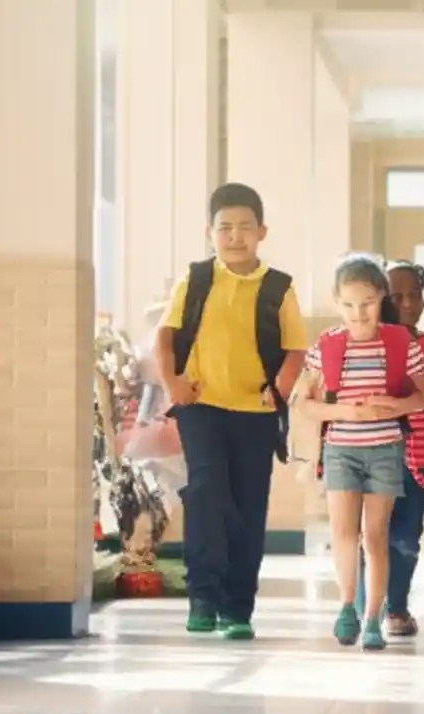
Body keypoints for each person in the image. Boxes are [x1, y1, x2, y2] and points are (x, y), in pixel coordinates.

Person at [155, 183, 308, 640]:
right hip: (201, 408)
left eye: (244, 227)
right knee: (205, 492)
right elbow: (166, 337)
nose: (235, 236)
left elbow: (295, 349)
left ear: (262, 232)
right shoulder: (196, 279)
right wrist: (174, 385)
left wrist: (276, 392)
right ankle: (202, 596)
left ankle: (237, 607)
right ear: (210, 233)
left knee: (247, 505)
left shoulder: (278, 287)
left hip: (256, 415)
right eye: (225, 228)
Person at [298, 255, 424, 651]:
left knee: (375, 537)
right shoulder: (325, 347)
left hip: (385, 451)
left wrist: (393, 406)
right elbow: (304, 404)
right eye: (349, 305)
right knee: (343, 532)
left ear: (382, 299)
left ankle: (373, 616)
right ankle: (346, 607)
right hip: (341, 450)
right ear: (336, 302)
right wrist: (346, 412)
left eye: (368, 303)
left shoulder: (400, 344)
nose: (359, 314)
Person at [354, 260, 424, 637]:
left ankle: (398, 607)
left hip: (420, 457)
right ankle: (367, 610)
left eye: (415, 295)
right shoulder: (363, 345)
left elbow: (419, 393)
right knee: (372, 534)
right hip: (372, 451)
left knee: (406, 536)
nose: (408, 303)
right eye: (397, 297)